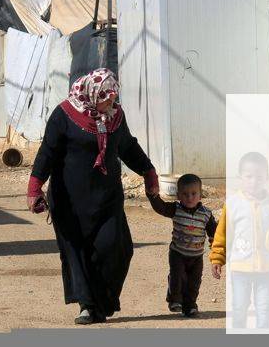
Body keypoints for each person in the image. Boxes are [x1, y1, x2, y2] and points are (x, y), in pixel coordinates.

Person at [27, 69, 159, 325]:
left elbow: (127, 146)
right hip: (69, 200)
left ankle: (104, 301)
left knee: (117, 248)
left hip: (107, 198)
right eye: (106, 98)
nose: (111, 103)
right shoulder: (64, 114)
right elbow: (47, 153)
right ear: (91, 93)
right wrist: (35, 186)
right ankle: (87, 306)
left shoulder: (115, 116)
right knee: (78, 252)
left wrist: (148, 171)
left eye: (113, 97)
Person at [209, 152, 269, 329]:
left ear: (267, 178)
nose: (254, 181)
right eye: (249, 176)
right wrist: (217, 258)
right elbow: (222, 234)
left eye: (259, 177)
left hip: (266, 269)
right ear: (240, 177)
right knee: (239, 308)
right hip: (240, 269)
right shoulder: (232, 204)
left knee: (264, 308)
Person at [148, 173, 217, 318]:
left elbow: (214, 233)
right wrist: (153, 196)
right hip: (178, 253)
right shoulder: (176, 209)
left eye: (193, 193)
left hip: (196, 256)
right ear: (178, 195)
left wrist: (216, 248)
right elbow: (160, 208)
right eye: (185, 194)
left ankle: (190, 305)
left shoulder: (206, 214)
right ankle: (175, 300)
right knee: (177, 276)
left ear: (200, 195)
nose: (190, 197)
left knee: (194, 281)